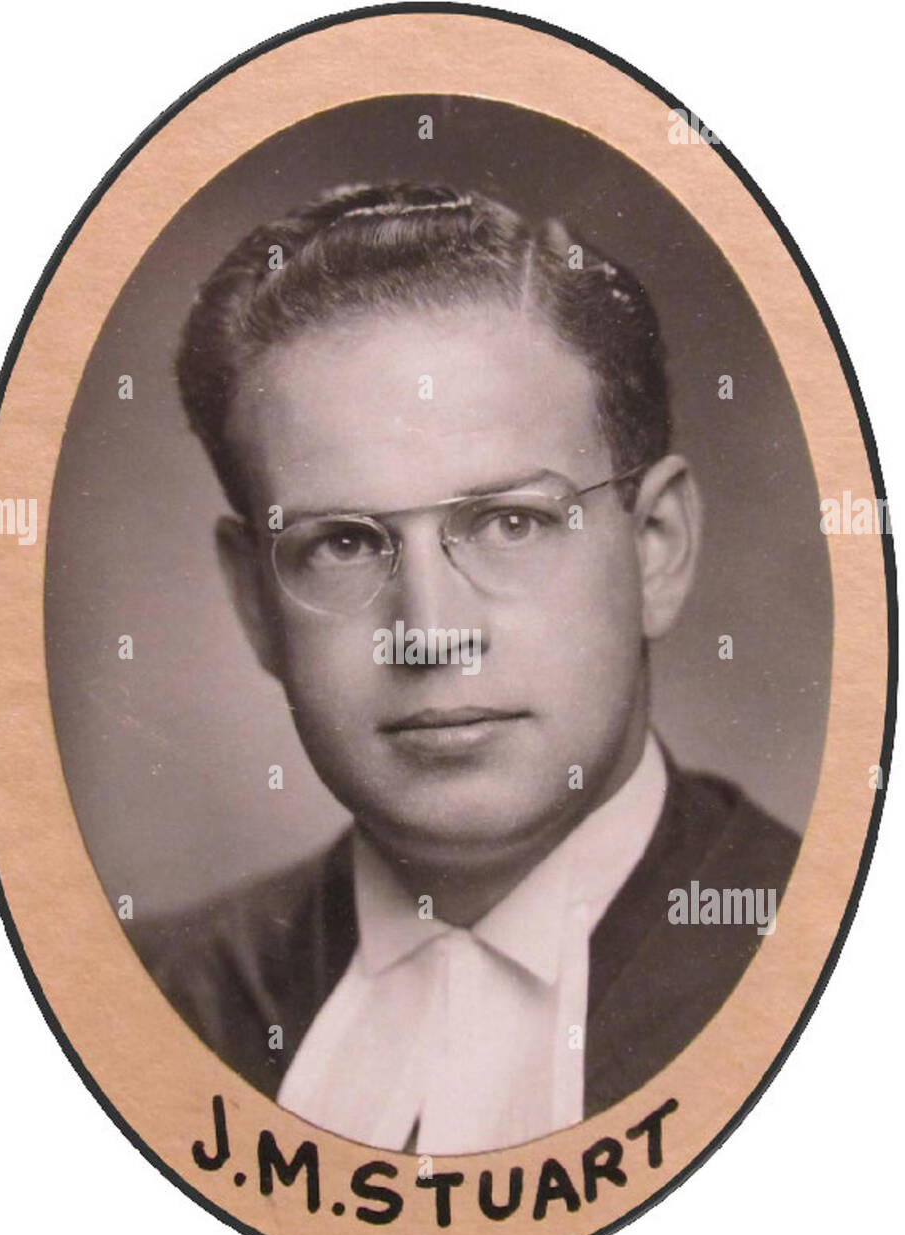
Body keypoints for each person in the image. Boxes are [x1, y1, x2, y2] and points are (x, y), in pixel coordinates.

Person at [126, 181, 799, 1154]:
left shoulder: (848, 960)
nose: (429, 633)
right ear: (255, 604)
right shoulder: (152, 1003)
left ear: (655, 546)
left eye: (509, 523)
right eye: (344, 544)